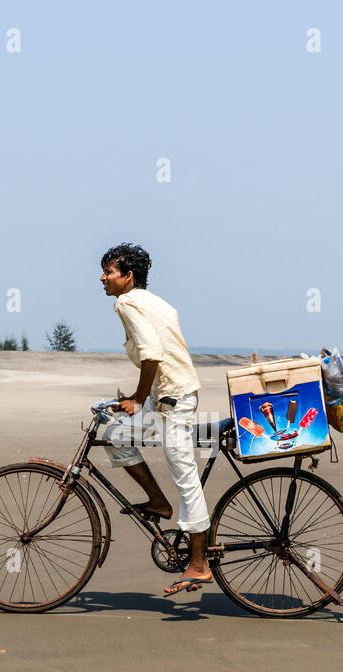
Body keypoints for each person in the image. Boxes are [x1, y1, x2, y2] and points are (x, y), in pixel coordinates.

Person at [98, 243, 211, 596]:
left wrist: (136, 398)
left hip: (172, 401)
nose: (102, 278)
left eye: (109, 272)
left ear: (128, 277)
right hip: (169, 398)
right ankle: (157, 502)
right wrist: (136, 402)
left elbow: (151, 354)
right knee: (116, 434)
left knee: (185, 475)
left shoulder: (127, 302)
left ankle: (199, 564)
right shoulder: (154, 300)